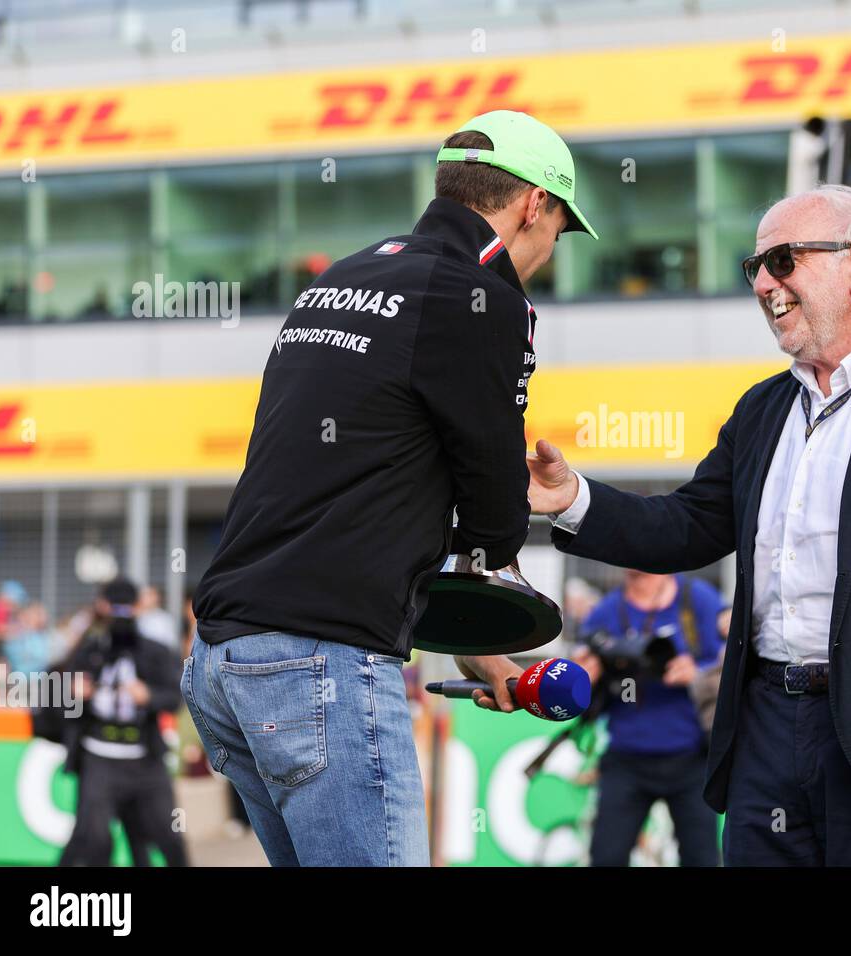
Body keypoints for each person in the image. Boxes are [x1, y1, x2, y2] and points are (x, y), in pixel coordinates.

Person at [528, 184, 851, 866]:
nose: (764, 283)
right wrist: (572, 498)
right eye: (756, 269)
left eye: (782, 260)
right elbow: (686, 527)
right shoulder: (763, 409)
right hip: (766, 728)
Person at [188, 110, 597, 866]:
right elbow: (490, 513)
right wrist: (510, 514)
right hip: (320, 668)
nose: (547, 253)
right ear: (534, 204)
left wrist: (488, 661)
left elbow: (362, 501)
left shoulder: (345, 275)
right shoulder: (483, 294)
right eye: (559, 230)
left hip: (223, 661)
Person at [575, 570, 725, 866]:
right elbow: (581, 676)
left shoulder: (697, 599)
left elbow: (735, 664)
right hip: (626, 758)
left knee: (702, 858)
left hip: (692, 758)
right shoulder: (607, 611)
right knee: (606, 857)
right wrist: (583, 675)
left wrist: (696, 674)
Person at [58, 577, 187, 867]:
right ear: (102, 606)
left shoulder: (154, 650)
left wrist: (148, 696)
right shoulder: (90, 647)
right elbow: (58, 696)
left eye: (125, 607)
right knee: (93, 839)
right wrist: (75, 693)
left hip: (144, 759)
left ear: (138, 607)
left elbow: (174, 697)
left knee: (166, 839)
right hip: (99, 757)